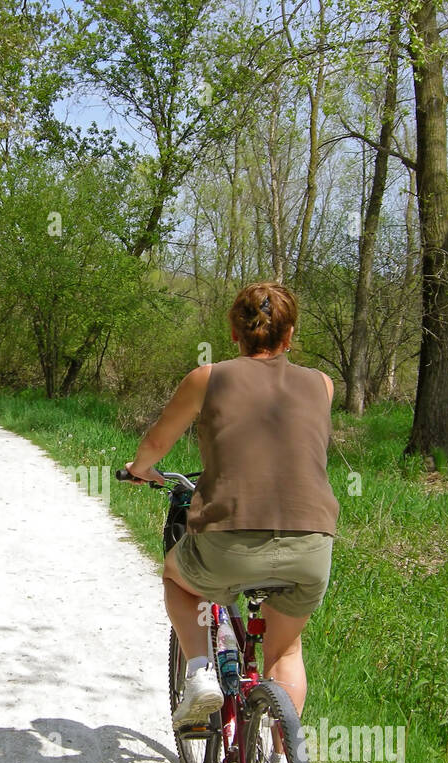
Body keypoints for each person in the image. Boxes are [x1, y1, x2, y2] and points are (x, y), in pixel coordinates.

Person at [124, 282, 338, 729]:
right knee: (286, 652)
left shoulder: (208, 377)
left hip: (229, 542)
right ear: (290, 334)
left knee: (176, 577)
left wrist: (142, 468)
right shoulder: (322, 384)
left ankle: (201, 671)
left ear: (235, 333)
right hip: (312, 544)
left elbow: (158, 441)